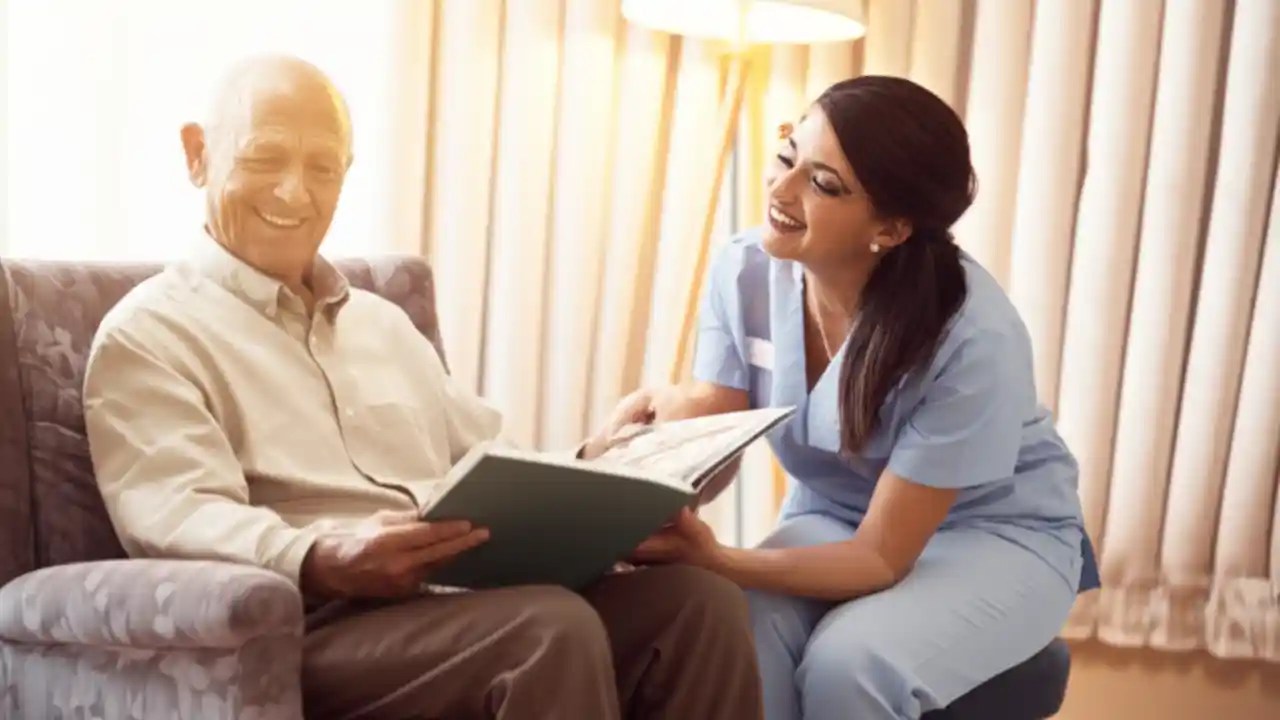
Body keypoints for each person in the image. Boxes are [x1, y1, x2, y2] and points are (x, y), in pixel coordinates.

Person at [82, 54, 762, 720]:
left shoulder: (383, 324)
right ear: (197, 154)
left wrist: (606, 465)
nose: (295, 192)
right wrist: (320, 556)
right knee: (544, 628)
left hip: (453, 602)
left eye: (322, 168)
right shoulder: (148, 334)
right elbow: (176, 515)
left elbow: (491, 459)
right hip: (307, 627)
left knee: (698, 605)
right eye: (264, 158)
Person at [611, 76, 1101, 720]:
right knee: (735, 631)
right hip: (833, 515)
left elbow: (879, 556)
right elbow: (718, 428)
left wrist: (719, 557)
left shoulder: (973, 337)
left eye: (823, 183)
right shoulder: (746, 270)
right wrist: (647, 449)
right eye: (789, 156)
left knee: (851, 665)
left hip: (992, 536)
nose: (781, 192)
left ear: (892, 228)